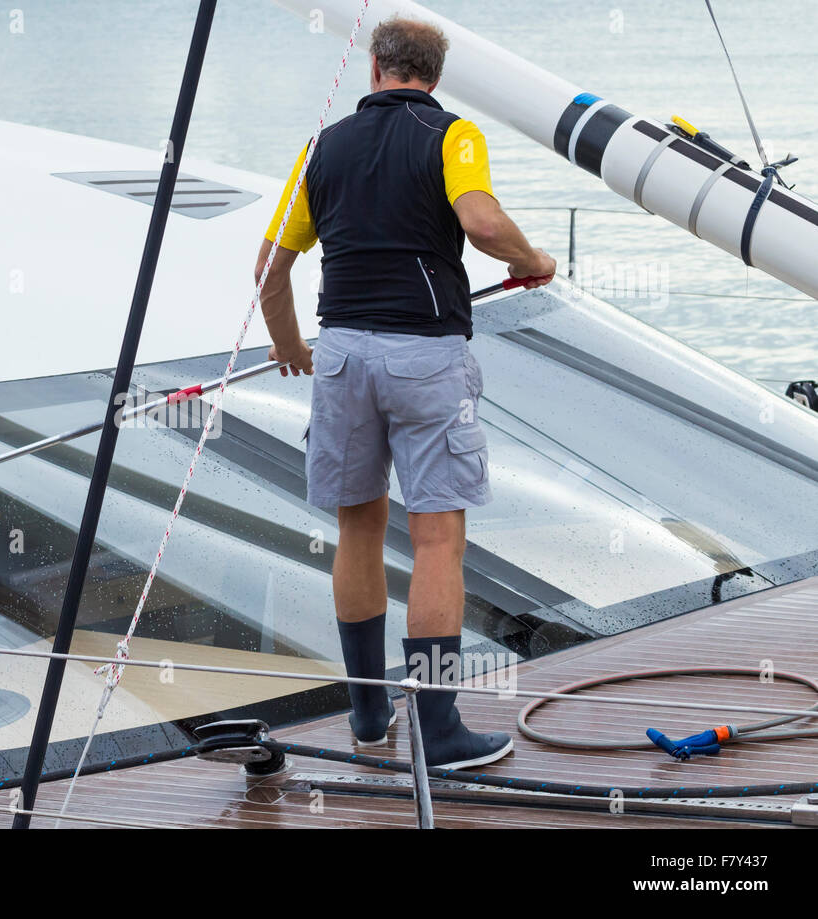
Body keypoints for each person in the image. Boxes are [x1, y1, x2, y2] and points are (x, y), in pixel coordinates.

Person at [255, 16, 555, 769]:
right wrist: (535, 257)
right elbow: (481, 223)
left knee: (359, 527)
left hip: (343, 355)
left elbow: (269, 267)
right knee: (436, 538)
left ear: (376, 69)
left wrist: (290, 344)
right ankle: (440, 728)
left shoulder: (321, 147)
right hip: (424, 356)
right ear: (433, 76)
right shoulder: (452, 135)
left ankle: (365, 713)